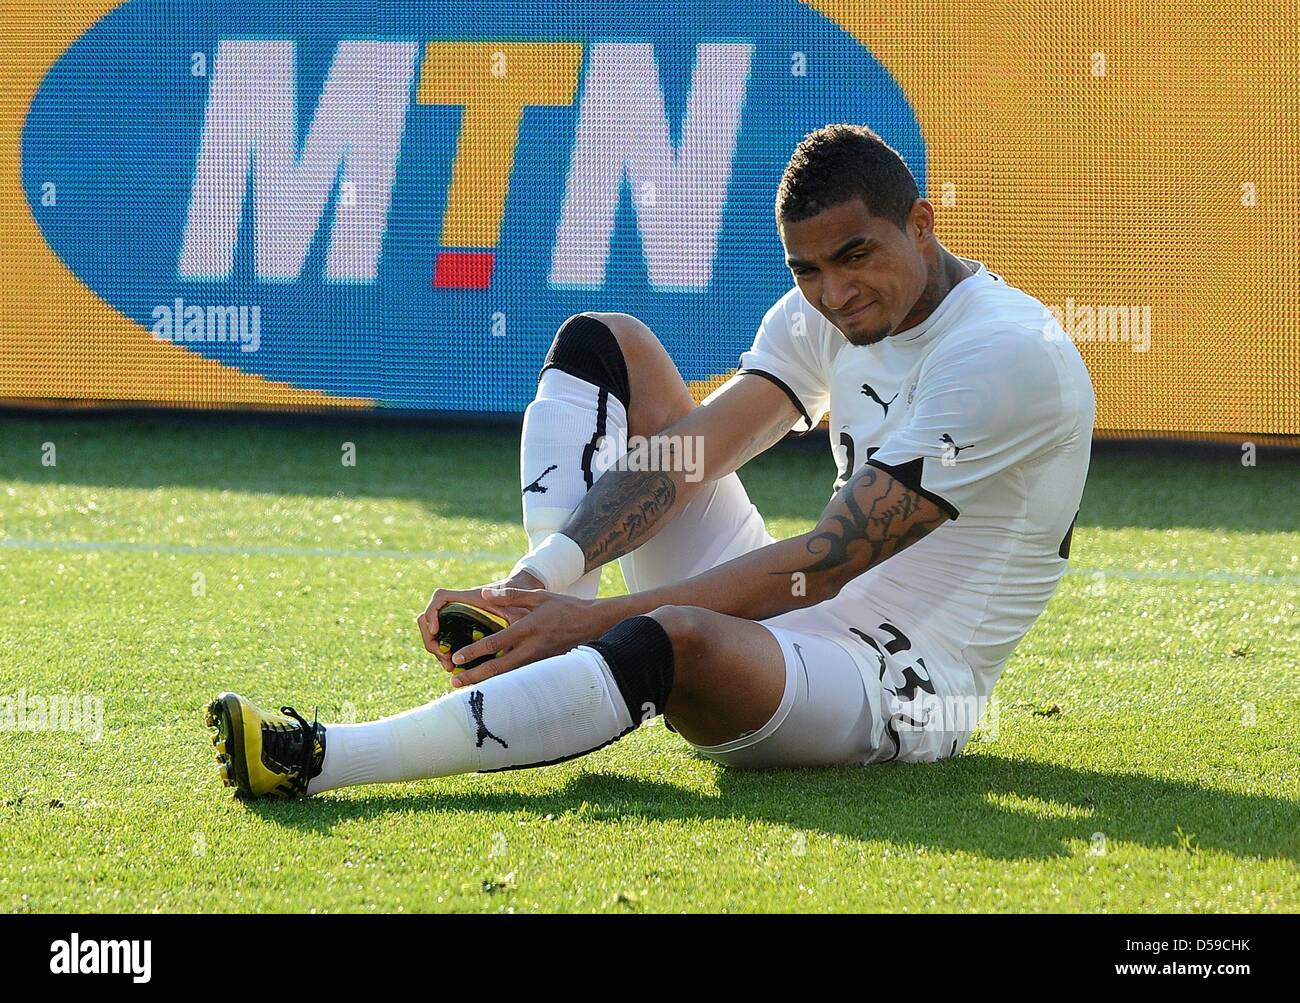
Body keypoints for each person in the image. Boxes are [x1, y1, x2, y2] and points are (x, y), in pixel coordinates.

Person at [206, 124, 1094, 800]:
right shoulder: (827, 310)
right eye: (807, 271)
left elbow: (827, 563)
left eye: (854, 256)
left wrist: (594, 623)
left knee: (673, 635)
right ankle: (544, 612)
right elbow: (692, 452)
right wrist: (541, 586)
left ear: (923, 224)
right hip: (796, 620)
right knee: (608, 343)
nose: (833, 294)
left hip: (897, 678)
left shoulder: (1002, 355)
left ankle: (323, 758)